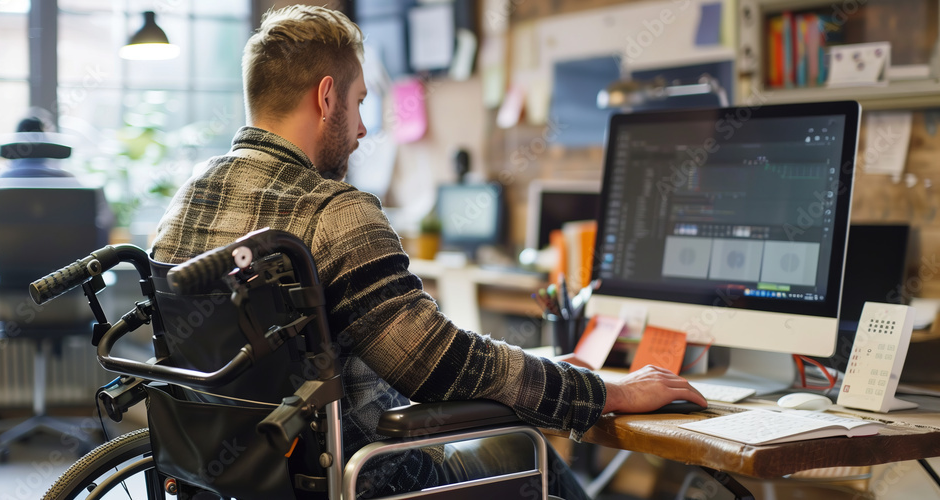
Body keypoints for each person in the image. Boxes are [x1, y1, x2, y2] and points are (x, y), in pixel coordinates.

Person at [152, 5, 706, 499]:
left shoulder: (182, 206)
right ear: (325, 97)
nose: (362, 128)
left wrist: (546, 370)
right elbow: (440, 366)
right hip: (365, 476)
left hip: (233, 476)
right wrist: (604, 392)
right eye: (359, 102)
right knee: (527, 451)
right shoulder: (334, 211)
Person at [0, 109, 112, 254]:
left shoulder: (0, 183)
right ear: (48, 141)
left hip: (12, 266)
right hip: (70, 266)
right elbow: (99, 239)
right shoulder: (71, 182)